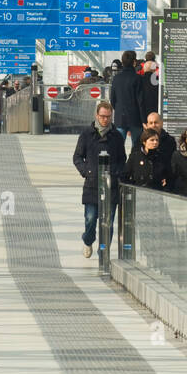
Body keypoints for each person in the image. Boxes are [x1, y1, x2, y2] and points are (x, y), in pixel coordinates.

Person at [73, 101, 126, 258]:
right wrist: (86, 171)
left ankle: (104, 250)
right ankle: (88, 240)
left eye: (108, 117)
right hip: (92, 184)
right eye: (102, 116)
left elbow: (122, 159)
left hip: (111, 186)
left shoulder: (116, 136)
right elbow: (77, 157)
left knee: (108, 223)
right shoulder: (86, 134)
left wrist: (117, 173)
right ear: (97, 115)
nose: (105, 120)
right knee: (90, 219)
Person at [109, 50, 146, 148]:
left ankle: (120, 163)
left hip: (120, 117)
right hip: (135, 118)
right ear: (134, 62)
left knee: (118, 146)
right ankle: (133, 163)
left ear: (122, 62)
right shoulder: (138, 78)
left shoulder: (116, 78)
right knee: (137, 147)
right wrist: (144, 120)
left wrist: (119, 109)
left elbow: (112, 99)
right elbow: (141, 101)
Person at [141, 111, 176, 188]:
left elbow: (172, 163)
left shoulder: (170, 141)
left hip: (162, 184)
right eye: (151, 123)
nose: (153, 125)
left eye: (156, 122)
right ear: (147, 125)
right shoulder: (139, 140)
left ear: (161, 123)